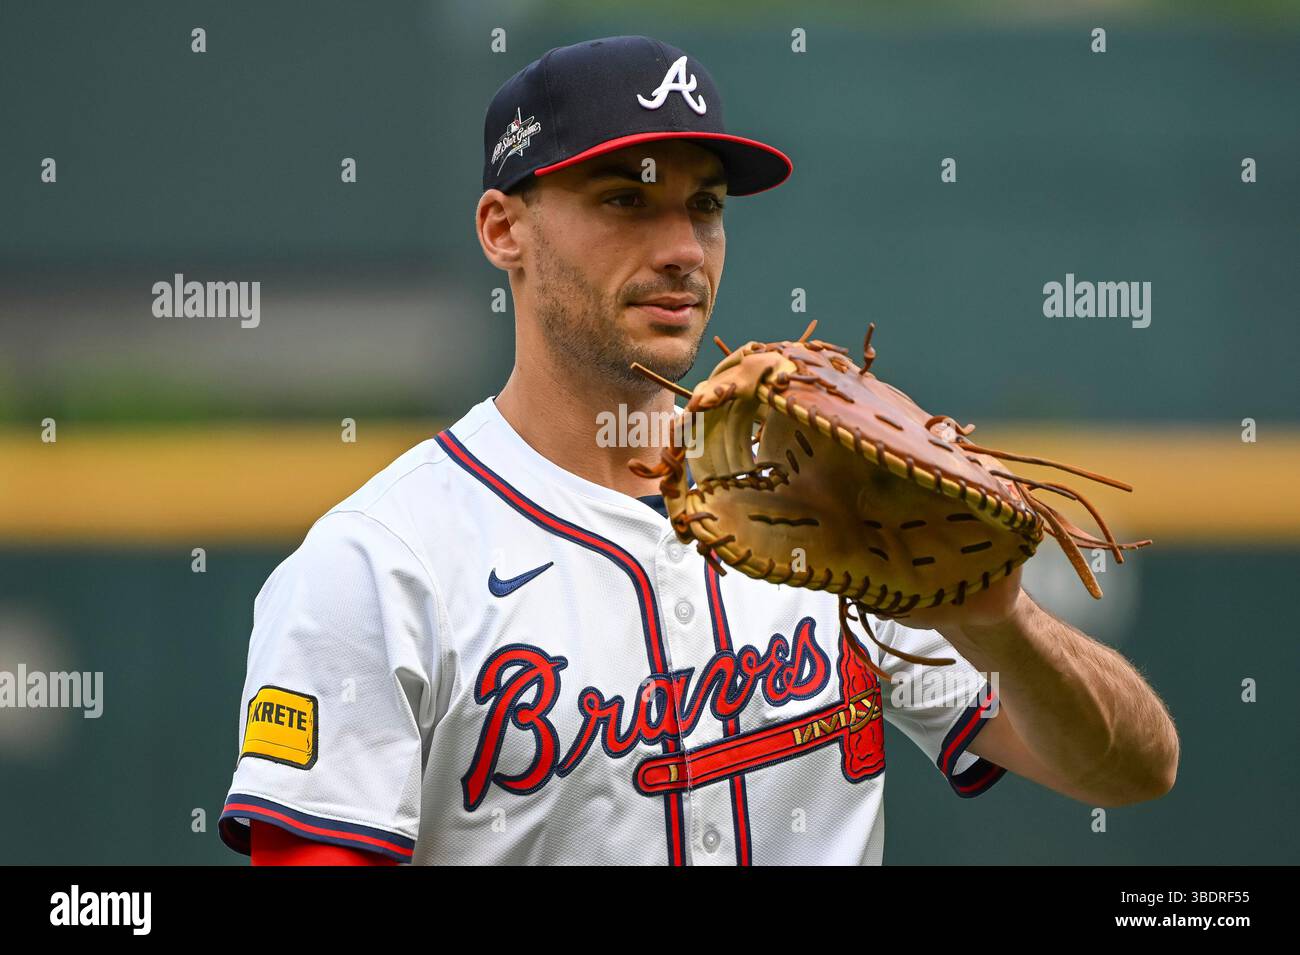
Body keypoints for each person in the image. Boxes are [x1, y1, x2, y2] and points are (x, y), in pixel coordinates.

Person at [218, 35, 1178, 866]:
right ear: (503, 227)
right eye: (627, 202)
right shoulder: (381, 567)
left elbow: (1132, 769)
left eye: (706, 206)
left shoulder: (839, 500)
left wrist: (997, 619)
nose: (684, 246)